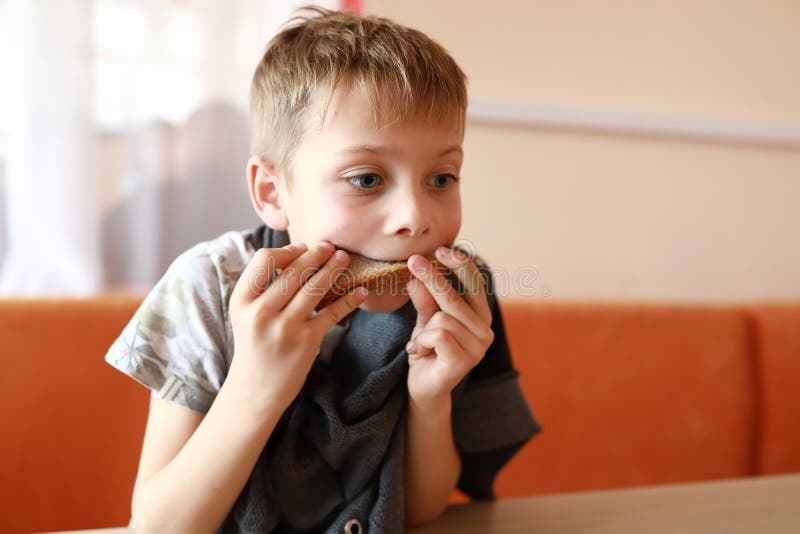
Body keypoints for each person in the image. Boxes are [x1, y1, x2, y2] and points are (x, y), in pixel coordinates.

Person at [104, 7, 540, 533]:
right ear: (273, 192)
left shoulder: (456, 295)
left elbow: (418, 512)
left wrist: (430, 397)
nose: (416, 218)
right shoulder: (210, 286)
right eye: (366, 179)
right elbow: (157, 527)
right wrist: (257, 385)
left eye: (442, 178)